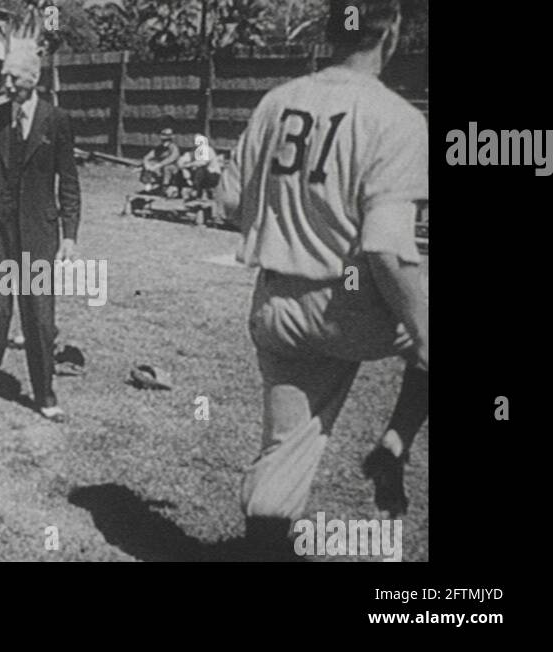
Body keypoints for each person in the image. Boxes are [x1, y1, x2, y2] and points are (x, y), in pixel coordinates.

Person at [217, 0, 428, 558]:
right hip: (348, 304)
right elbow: (385, 246)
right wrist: (421, 330)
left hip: (276, 305)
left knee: (286, 448)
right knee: (429, 329)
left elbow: (228, 200)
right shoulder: (398, 119)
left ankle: (264, 538)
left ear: (332, 33)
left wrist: (292, 218)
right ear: (393, 34)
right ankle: (397, 439)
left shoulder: (276, 101)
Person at [0, 41, 81, 423]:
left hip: (38, 235)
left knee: (39, 318)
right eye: (5, 75)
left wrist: (70, 235)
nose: (7, 83)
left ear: (34, 77)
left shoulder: (55, 119)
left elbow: (69, 181)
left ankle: (44, 394)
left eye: (14, 76)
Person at [176, 134, 222, 199]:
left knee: (200, 170)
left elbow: (202, 163)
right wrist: (182, 168)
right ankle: (179, 193)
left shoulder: (208, 150)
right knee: (180, 171)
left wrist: (188, 165)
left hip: (212, 175)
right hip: (199, 175)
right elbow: (183, 159)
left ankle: (196, 191)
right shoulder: (195, 151)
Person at [140, 127, 180, 193]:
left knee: (167, 167)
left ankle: (165, 186)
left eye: (167, 140)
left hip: (173, 170)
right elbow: (147, 157)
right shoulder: (159, 148)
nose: (165, 142)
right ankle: (148, 184)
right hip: (160, 169)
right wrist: (147, 164)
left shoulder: (174, 148)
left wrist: (158, 165)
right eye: (163, 140)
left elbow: (171, 159)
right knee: (149, 164)